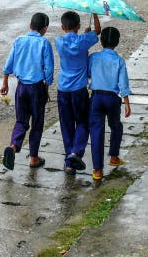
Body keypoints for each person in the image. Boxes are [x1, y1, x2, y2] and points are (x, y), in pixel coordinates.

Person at [0, 12, 54, 170]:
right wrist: (47, 86)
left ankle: (13, 146)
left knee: (21, 120)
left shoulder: (19, 40)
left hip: (21, 87)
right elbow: (49, 69)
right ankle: (34, 158)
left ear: (30, 26)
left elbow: (8, 64)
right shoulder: (44, 43)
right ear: (45, 29)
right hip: (37, 87)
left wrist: (5, 83)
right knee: (37, 123)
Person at [55, 11, 101, 175]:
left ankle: (69, 163)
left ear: (62, 27)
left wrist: (84, 35)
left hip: (63, 89)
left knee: (66, 125)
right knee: (82, 122)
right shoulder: (84, 41)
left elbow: (74, 42)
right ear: (79, 26)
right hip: (79, 90)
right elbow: (98, 31)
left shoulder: (58, 41)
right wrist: (95, 16)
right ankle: (76, 153)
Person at [88, 27, 131, 181]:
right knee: (116, 126)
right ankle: (114, 156)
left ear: (101, 41)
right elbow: (123, 84)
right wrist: (127, 103)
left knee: (96, 132)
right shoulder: (119, 60)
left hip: (97, 97)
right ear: (117, 42)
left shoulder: (93, 58)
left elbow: (87, 74)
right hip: (113, 98)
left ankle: (97, 170)